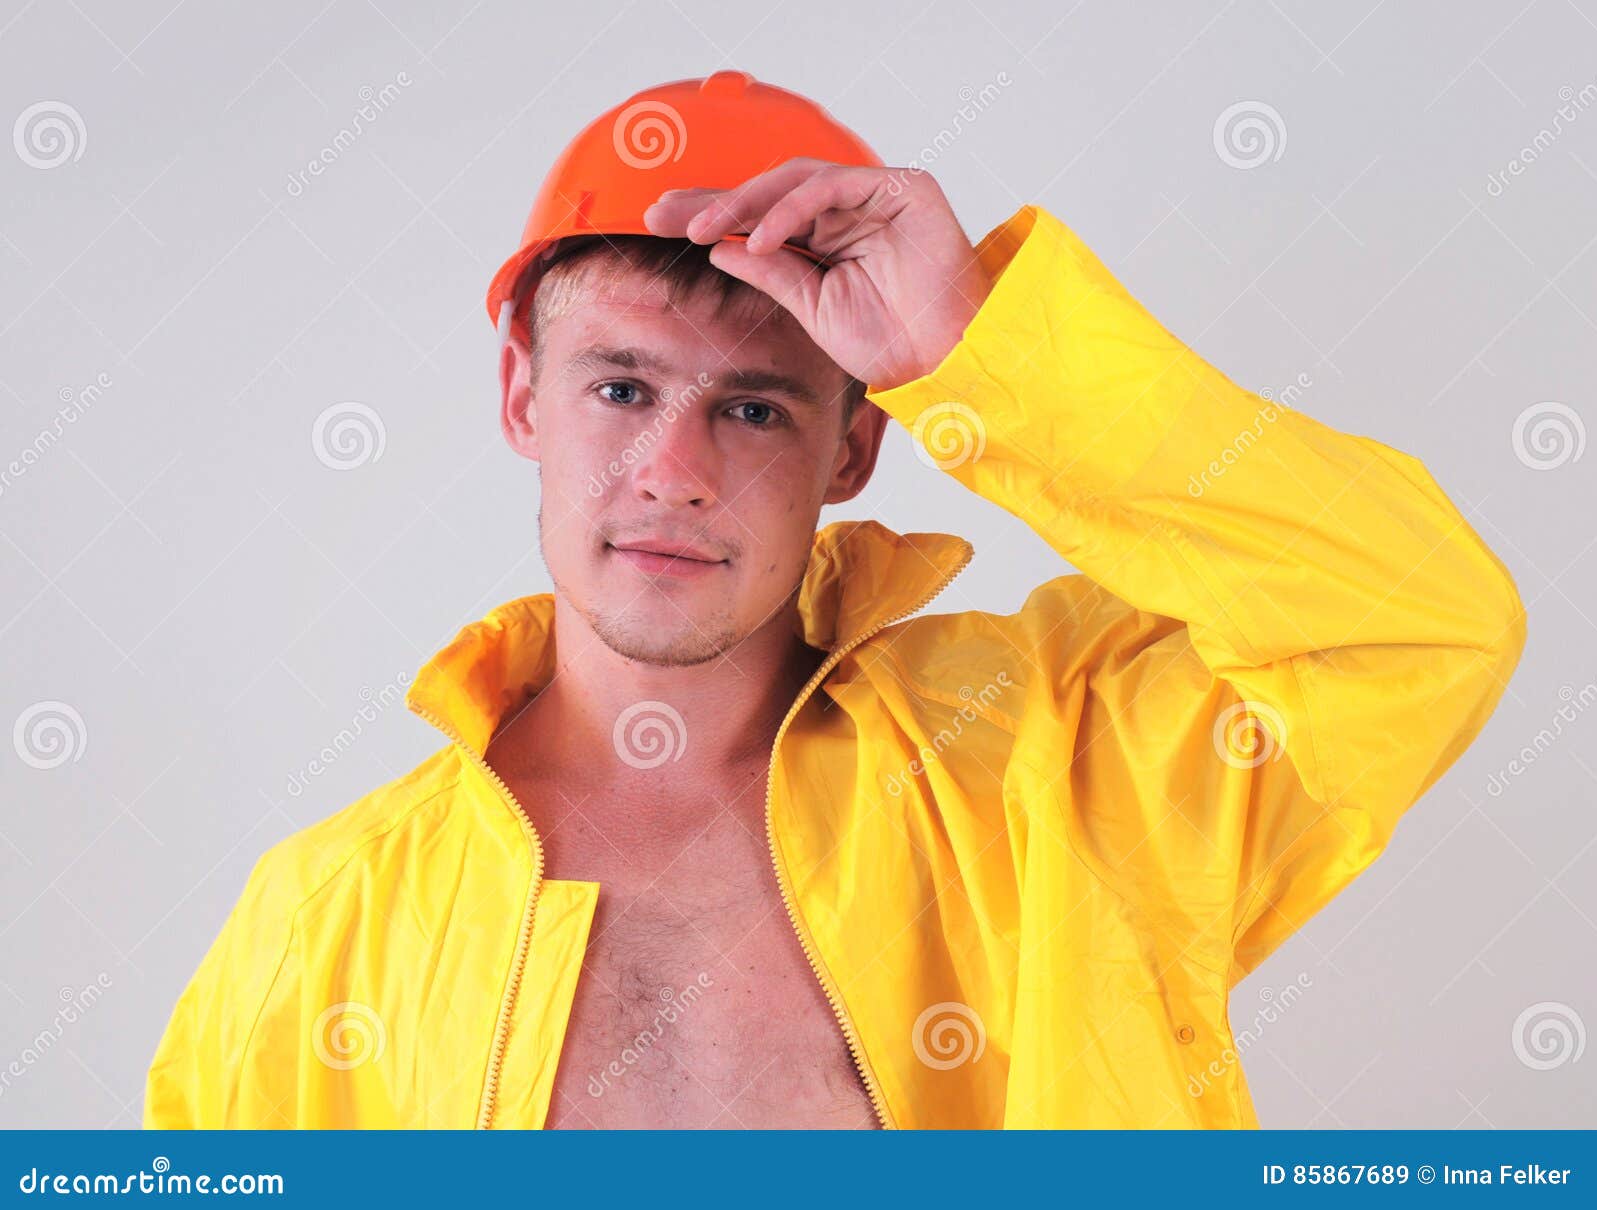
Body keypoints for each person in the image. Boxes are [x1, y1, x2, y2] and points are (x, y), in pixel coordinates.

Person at [143, 72, 1525, 1129]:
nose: (675, 471)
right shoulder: (328, 920)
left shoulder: (1055, 766)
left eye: (753, 408)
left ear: (855, 447)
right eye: (621, 387)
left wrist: (979, 351)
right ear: (524, 399)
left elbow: (1416, 616)